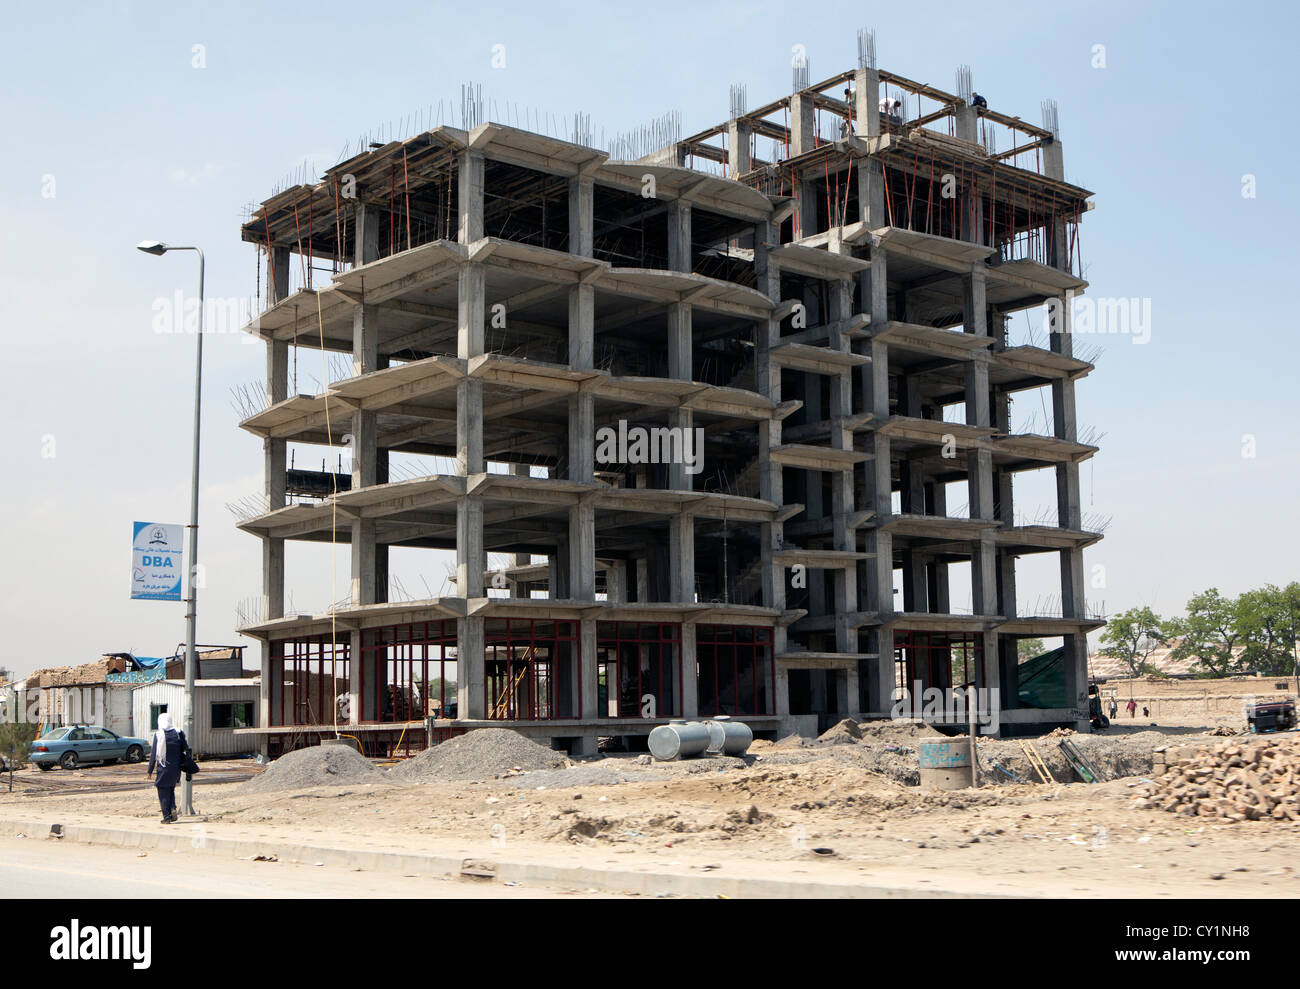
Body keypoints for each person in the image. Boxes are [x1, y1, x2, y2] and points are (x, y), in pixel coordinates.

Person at [146, 712, 188, 824]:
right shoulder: (179, 733)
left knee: (162, 791)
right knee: (170, 788)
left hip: (163, 768)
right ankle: (172, 807)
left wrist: (149, 771)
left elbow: (154, 754)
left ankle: (167, 817)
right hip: (176, 768)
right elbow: (186, 748)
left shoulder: (159, 735)